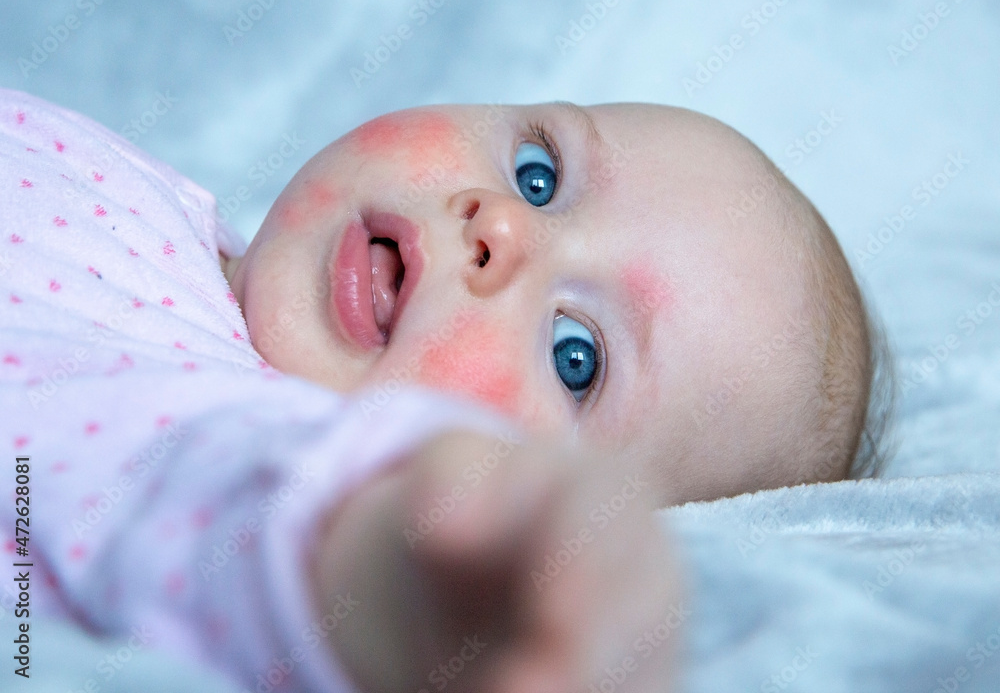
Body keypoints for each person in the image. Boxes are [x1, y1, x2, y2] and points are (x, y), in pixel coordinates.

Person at [0, 90, 889, 692]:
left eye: (575, 354)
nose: (501, 226)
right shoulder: (163, 206)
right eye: (538, 175)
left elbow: (259, 527)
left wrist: (446, 573)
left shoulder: (221, 442)